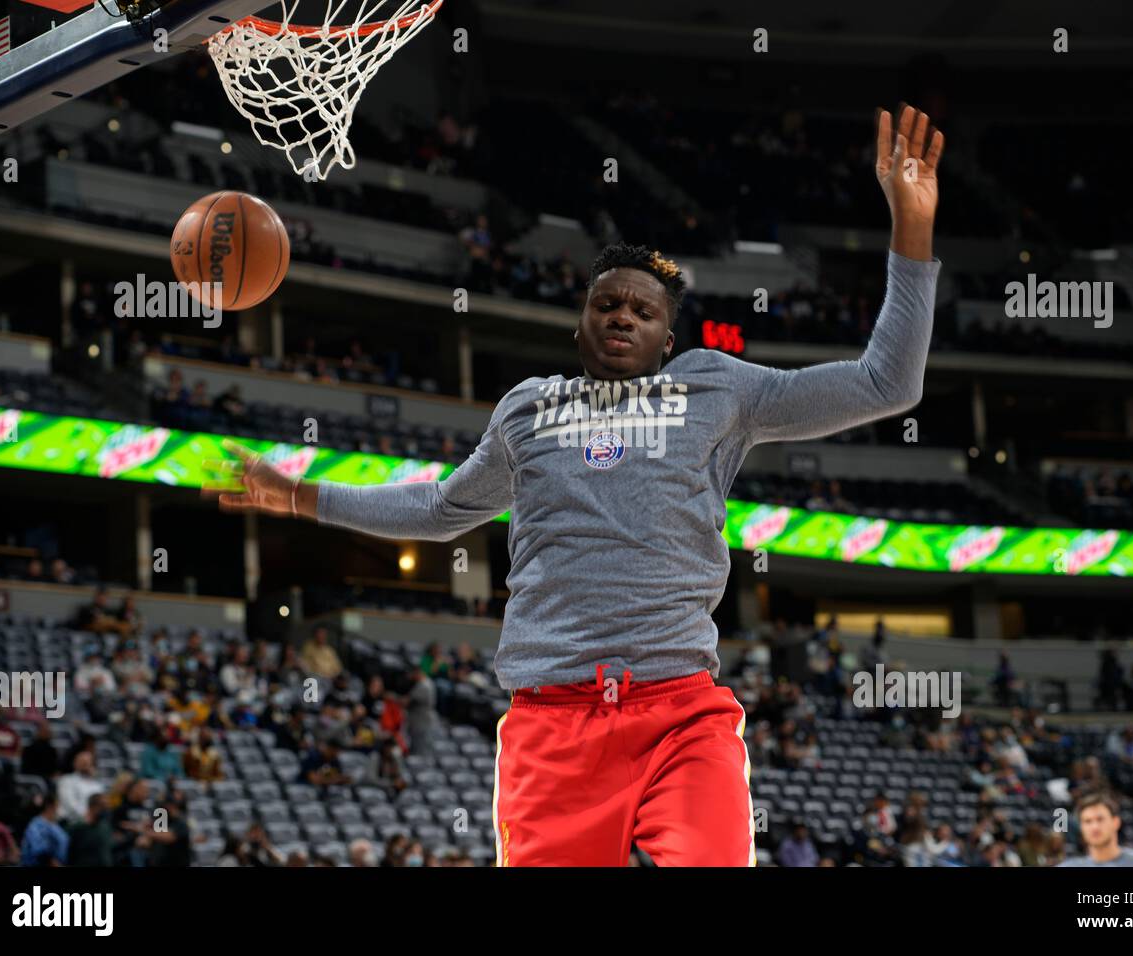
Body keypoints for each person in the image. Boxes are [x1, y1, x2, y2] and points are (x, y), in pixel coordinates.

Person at [203, 104, 943, 866]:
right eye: (606, 304)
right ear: (580, 323)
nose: (623, 316)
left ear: (667, 336)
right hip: (551, 722)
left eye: (642, 311)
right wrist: (299, 495)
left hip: (677, 713)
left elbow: (885, 382)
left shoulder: (717, 389)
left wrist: (911, 230)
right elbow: (438, 507)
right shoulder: (526, 408)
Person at [1056, 791, 1133, 867]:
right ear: (1081, 827)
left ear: (1116, 822)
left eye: (1100, 819)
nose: (1095, 827)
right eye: (1088, 821)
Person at [20, 793, 69, 866]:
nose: (58, 810)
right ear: (49, 807)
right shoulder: (36, 825)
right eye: (57, 806)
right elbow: (40, 852)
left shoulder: (56, 826)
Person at [57, 751, 106, 823]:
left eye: (88, 762)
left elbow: (101, 804)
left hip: (93, 821)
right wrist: (86, 815)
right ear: (75, 763)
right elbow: (71, 805)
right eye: (82, 762)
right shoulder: (66, 780)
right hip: (71, 821)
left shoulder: (97, 785)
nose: (85, 765)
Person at [66, 794, 114, 866]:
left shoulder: (105, 826)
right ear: (93, 807)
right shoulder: (77, 828)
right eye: (103, 806)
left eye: (107, 806)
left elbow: (110, 849)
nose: (106, 809)